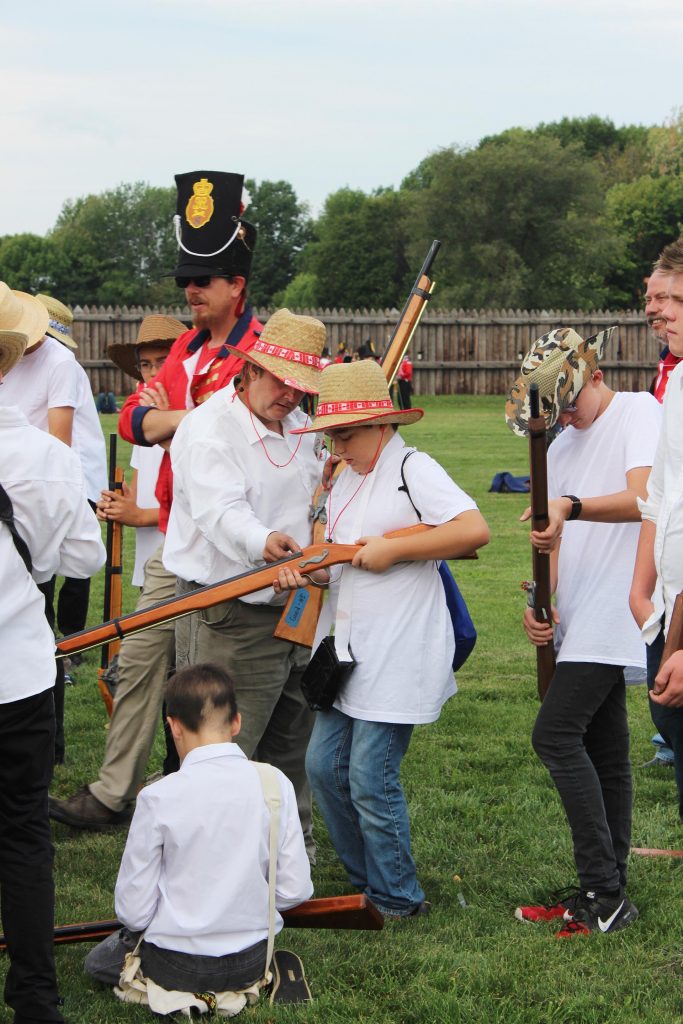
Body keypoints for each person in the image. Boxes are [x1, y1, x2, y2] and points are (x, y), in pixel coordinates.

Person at [49, 170, 261, 828]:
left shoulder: (255, 352)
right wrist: (184, 415)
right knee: (138, 659)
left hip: (231, 540)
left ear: (237, 284)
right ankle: (114, 793)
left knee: (209, 673)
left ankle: (197, 792)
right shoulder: (190, 351)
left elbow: (221, 422)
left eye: (206, 279)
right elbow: (135, 420)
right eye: (187, 281)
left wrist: (181, 416)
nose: (193, 291)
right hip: (177, 536)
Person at [273, 359, 489, 917]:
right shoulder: (339, 475)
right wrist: (310, 569)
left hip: (399, 647)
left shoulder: (413, 468)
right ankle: (366, 882)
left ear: (381, 425)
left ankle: (397, 897)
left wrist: (392, 549)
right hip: (343, 648)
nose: (337, 446)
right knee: (323, 768)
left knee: (371, 775)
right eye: (332, 435)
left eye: (345, 433)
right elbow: (327, 554)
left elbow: (472, 528)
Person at [505, 326, 661, 936]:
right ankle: (608, 892)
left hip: (616, 610)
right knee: (606, 752)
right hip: (577, 614)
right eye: (553, 407)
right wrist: (539, 601)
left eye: (569, 400)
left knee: (555, 736)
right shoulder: (557, 444)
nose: (563, 415)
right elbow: (551, 538)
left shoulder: (638, 412)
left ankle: (602, 888)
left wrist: (572, 504)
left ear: (594, 376)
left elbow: (645, 498)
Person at [162, 308, 327, 856]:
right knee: (222, 745)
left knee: (292, 740)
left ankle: (287, 859)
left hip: (299, 602)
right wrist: (265, 543)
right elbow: (219, 513)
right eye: (282, 381)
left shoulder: (304, 426)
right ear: (252, 369)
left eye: (301, 387)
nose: (290, 396)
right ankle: (208, 857)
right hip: (230, 609)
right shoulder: (209, 428)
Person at [83, 663, 312, 1015]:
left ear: (173, 727)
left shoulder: (158, 797)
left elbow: (134, 911)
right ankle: (234, 990)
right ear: (236, 722)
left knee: (99, 961)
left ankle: (185, 999)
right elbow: (294, 890)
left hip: (176, 964)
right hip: (250, 958)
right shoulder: (274, 783)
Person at [0, 328, 105, 1024]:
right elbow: (84, 559)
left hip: (21, 667)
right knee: (23, 836)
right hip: (18, 669)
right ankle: (36, 996)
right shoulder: (43, 453)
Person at [630, 238, 683, 823]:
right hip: (663, 603)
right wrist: (640, 591)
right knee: (669, 721)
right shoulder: (678, 383)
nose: (657, 312)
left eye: (674, 300)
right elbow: (661, 498)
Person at [36, 293, 108, 645]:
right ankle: (51, 634)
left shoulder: (62, 362)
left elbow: (60, 436)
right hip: (53, 472)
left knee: (75, 564)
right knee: (46, 560)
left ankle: (73, 636)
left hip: (77, 476)